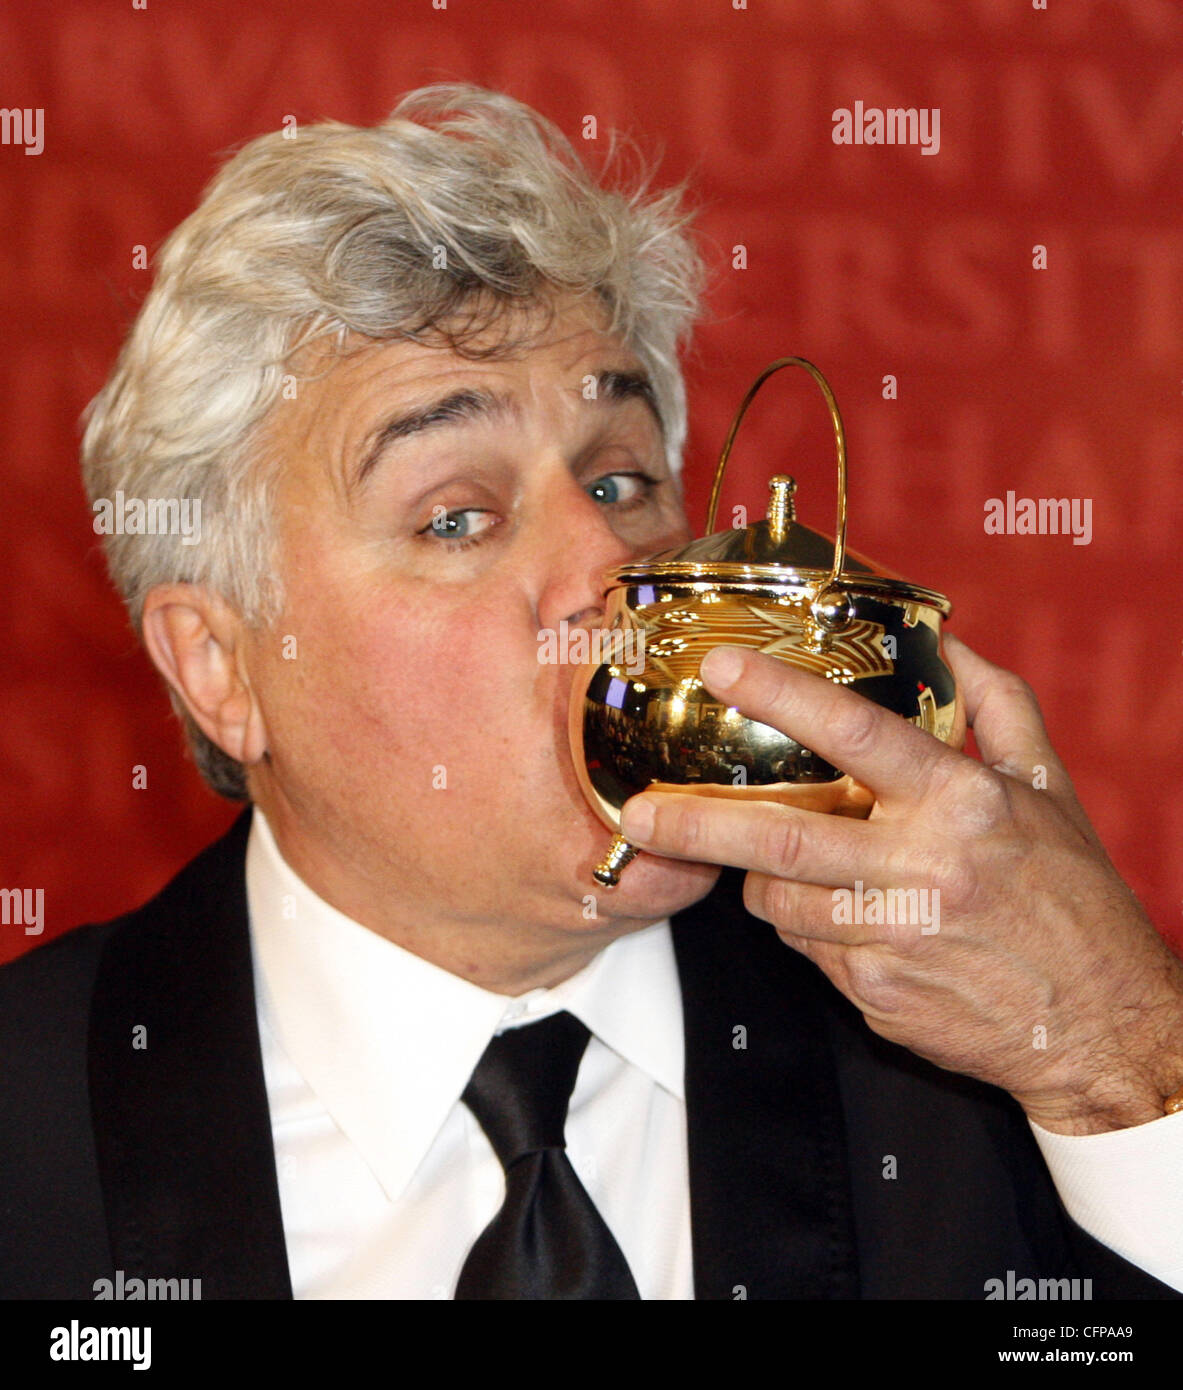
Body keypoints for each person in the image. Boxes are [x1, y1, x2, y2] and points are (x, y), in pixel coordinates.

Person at [2, 83, 1181, 1301]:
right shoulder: (32, 1128)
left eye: (619, 483)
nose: (612, 577)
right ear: (219, 667)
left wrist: (1121, 1048)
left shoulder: (978, 1051)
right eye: (457, 516)